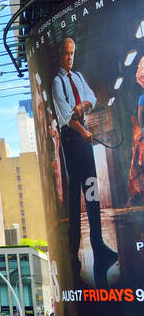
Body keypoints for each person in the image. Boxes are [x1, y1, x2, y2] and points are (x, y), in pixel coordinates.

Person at [52, 37, 118, 286]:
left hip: (84, 138)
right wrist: (82, 129)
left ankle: (99, 246)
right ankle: (72, 252)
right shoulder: (57, 82)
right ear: (60, 55)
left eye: (72, 53)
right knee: (75, 192)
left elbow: (92, 99)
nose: (70, 57)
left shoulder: (77, 77)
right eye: (66, 53)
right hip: (72, 139)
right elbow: (66, 116)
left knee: (91, 189)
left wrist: (82, 105)